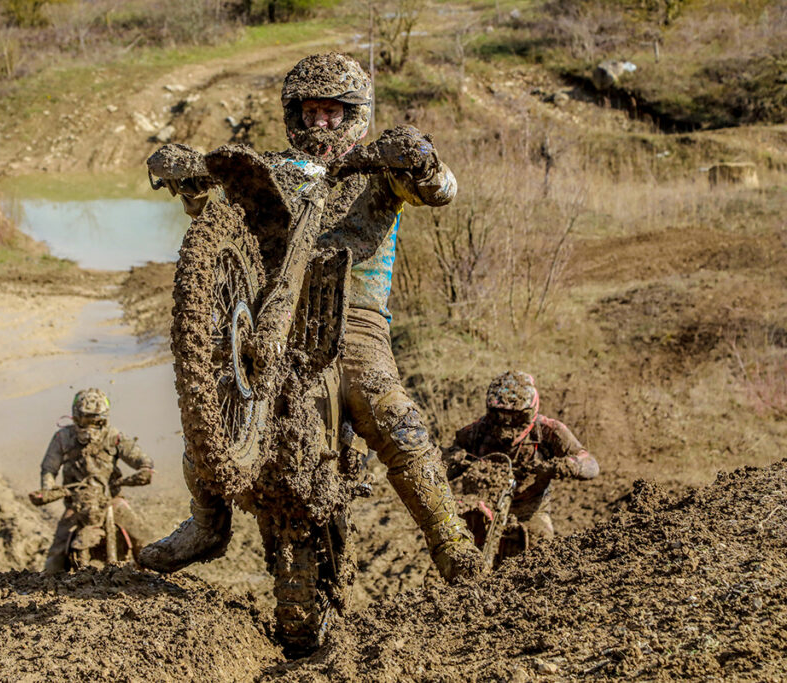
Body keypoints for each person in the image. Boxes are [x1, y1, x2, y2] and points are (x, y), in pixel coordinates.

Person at [140, 52, 482, 582]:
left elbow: (442, 191)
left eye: (333, 112)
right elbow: (220, 209)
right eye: (310, 111)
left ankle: (450, 539)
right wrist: (191, 177)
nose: (320, 122)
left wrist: (421, 159)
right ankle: (206, 522)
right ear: (293, 115)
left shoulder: (381, 173)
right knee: (207, 394)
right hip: (270, 314)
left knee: (388, 408)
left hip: (356, 319)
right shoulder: (276, 169)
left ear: (356, 113)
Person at [444, 371, 599, 560]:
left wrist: (567, 465)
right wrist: (453, 459)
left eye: (516, 417)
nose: (507, 424)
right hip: (482, 507)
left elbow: (589, 463)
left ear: (530, 410)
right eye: (499, 416)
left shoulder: (548, 431)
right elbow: (440, 469)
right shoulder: (475, 432)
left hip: (529, 508)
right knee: (457, 554)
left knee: (541, 554)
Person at [31, 388, 154, 574]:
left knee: (143, 539)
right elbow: (49, 468)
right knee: (56, 552)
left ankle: (157, 575)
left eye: (95, 421)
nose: (89, 426)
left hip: (111, 499)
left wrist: (145, 469)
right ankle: (47, 583)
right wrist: (48, 489)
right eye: (84, 420)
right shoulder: (62, 437)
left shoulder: (115, 437)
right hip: (77, 503)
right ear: (74, 417)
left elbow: (140, 458)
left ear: (104, 419)